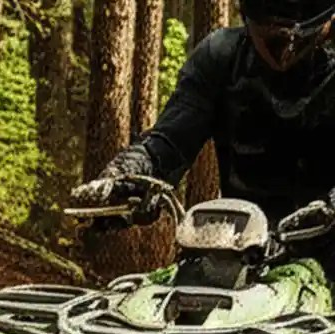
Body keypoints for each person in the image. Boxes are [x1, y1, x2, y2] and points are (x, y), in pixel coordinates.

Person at [72, 1, 335, 237]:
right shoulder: (221, 57)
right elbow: (167, 145)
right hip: (239, 252)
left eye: (294, 38)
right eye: (270, 34)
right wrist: (126, 179)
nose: (283, 49)